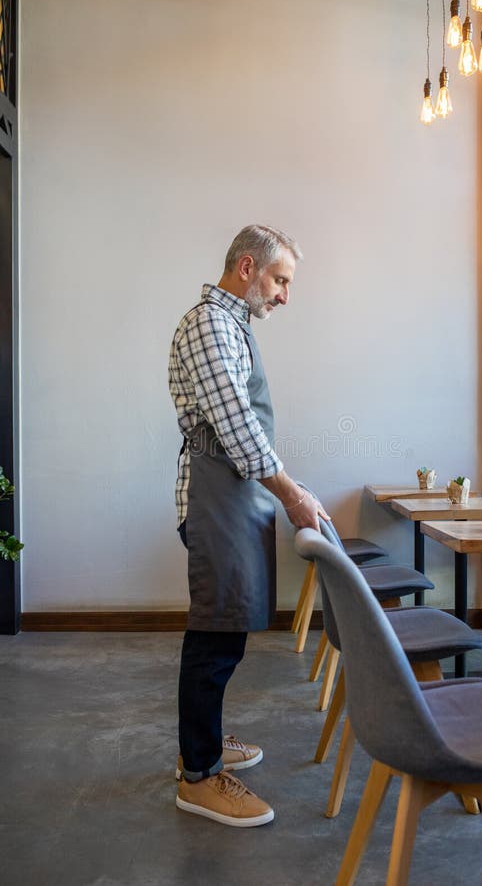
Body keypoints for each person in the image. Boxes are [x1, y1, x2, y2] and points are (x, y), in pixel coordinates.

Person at [168, 224, 328, 828]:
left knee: (227, 629)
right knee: (214, 635)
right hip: (212, 495)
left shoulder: (233, 325)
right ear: (245, 267)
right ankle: (199, 776)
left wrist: (289, 488)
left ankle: (199, 741)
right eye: (280, 280)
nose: (285, 294)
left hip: (230, 496)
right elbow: (237, 427)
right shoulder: (211, 323)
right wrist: (291, 495)